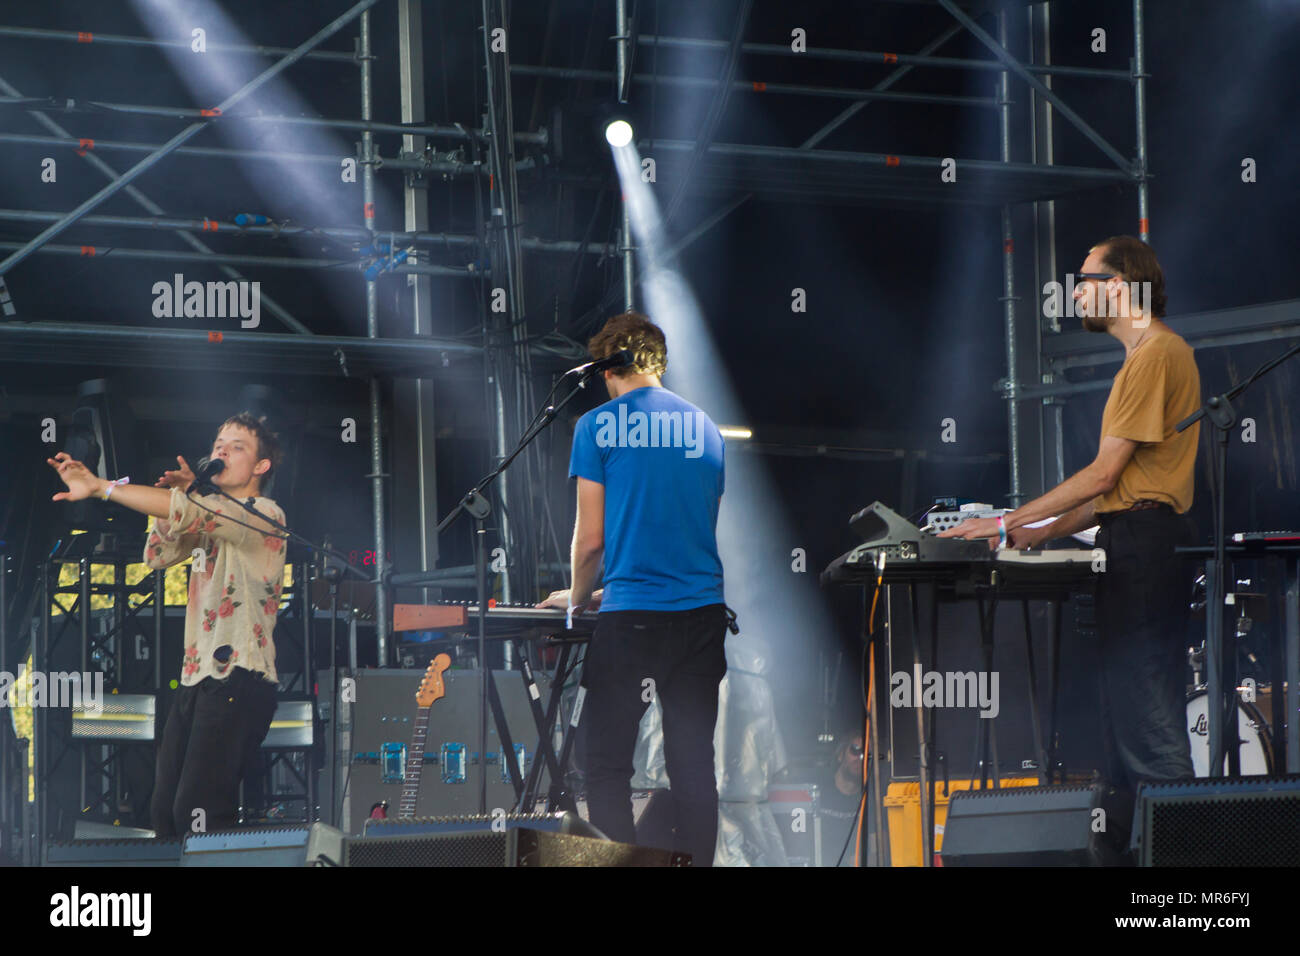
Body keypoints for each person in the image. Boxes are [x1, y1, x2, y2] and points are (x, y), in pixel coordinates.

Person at [940, 236, 1199, 795]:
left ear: (1118, 285)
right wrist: (1038, 533)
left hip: (1145, 549)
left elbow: (1104, 477)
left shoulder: (1155, 354)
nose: (1074, 291)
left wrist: (1005, 523)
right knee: (1127, 732)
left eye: (1084, 279)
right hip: (1132, 540)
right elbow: (1116, 490)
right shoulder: (1144, 357)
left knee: (1149, 728)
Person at [538, 311, 728, 866]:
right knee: (694, 768)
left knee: (607, 767)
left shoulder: (596, 425)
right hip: (701, 616)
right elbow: (691, 532)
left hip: (634, 620)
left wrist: (576, 600)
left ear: (607, 368)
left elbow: (591, 541)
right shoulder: (707, 428)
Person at [48, 412, 287, 838]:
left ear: (260, 467)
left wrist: (104, 487)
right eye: (218, 443)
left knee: (199, 810)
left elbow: (192, 512)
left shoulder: (264, 513)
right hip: (199, 678)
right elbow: (158, 555)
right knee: (164, 811)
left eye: (237, 447)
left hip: (239, 676)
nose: (221, 451)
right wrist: (181, 498)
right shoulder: (208, 515)